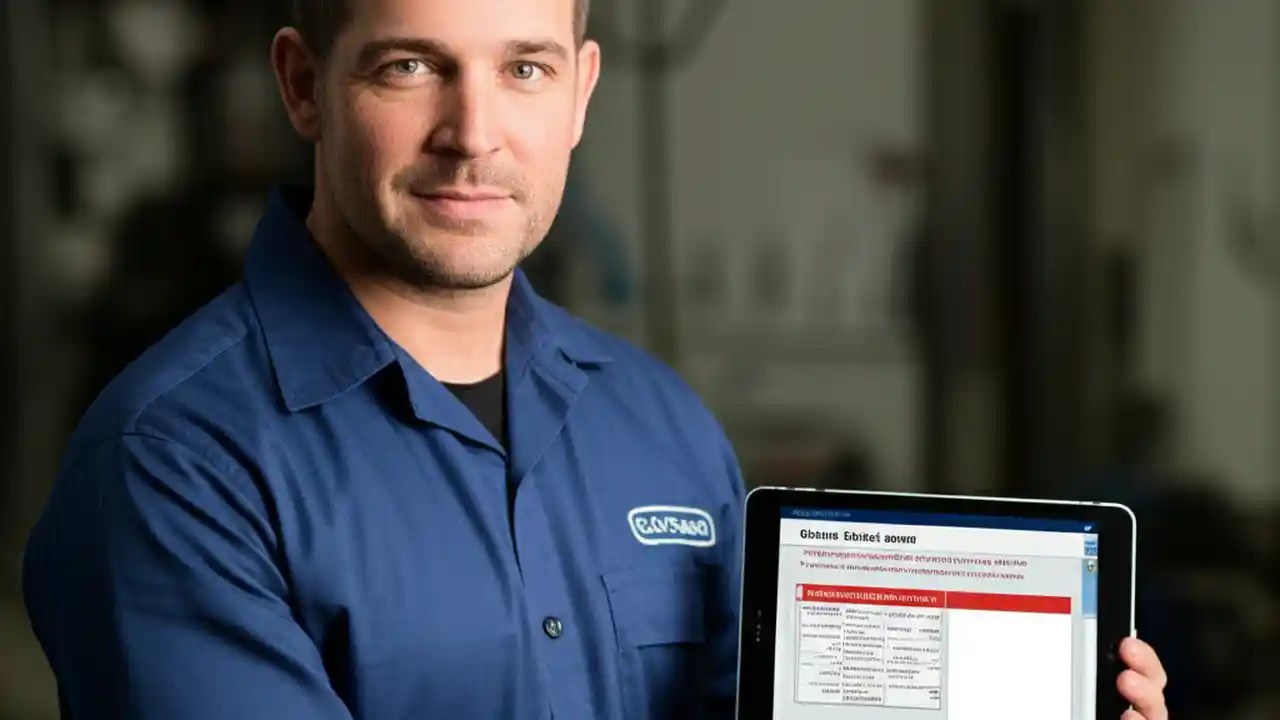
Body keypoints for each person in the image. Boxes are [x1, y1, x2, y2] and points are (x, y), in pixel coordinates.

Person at [21, 0, 1171, 718]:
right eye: (411, 66)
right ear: (303, 85)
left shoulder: (658, 426)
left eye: (522, 68)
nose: (473, 135)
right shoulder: (174, 465)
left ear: (578, 92)